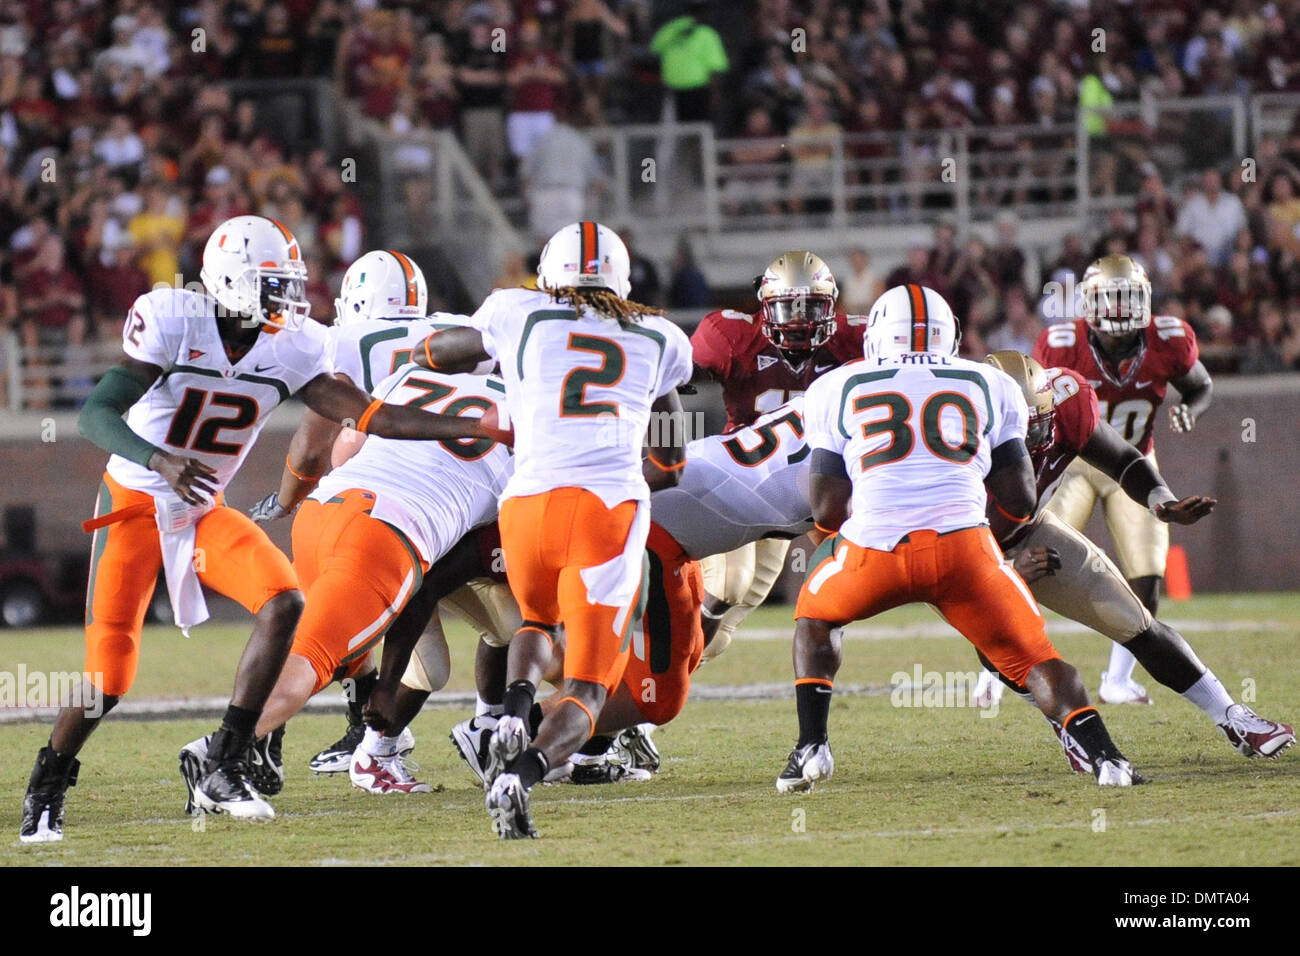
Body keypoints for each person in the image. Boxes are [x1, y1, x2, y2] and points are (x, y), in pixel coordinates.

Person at [19, 217, 497, 843]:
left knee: (285, 601)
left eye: (288, 285)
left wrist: (478, 427)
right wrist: (159, 458)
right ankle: (47, 785)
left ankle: (225, 761)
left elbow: (369, 414)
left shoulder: (291, 345)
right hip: (135, 503)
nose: (287, 300)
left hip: (201, 511)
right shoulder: (174, 320)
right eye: (273, 286)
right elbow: (95, 412)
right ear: (231, 282)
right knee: (110, 677)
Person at [780, 283, 1140, 793]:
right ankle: (1109, 761)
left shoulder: (836, 386)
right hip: (965, 549)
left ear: (878, 334)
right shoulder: (988, 381)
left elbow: (827, 507)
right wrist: (986, 544)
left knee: (815, 619)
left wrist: (848, 538)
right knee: (1038, 659)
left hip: (873, 552)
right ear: (947, 333)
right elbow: (1021, 497)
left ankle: (810, 747)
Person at [413, 221, 693, 838]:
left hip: (527, 507)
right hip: (606, 512)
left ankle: (512, 710)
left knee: (536, 623)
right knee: (590, 690)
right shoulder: (662, 335)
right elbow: (672, 460)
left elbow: (428, 356)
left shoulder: (517, 311)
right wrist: (642, 471)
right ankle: (525, 772)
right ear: (621, 277)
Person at [974, 352, 1293, 766]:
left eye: (1039, 419)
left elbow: (1124, 459)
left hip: (1029, 528)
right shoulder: (949, 444)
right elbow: (944, 546)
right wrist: (1008, 574)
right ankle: (1067, 726)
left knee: (1132, 618)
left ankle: (1233, 716)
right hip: (965, 553)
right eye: (1020, 428)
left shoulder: (1066, 401)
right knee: (1001, 641)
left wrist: (1161, 501)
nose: (1035, 436)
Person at [1036, 255, 1213, 704]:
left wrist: (1189, 409)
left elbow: (1199, 385)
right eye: (1109, 299)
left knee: (1147, 577)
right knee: (1033, 561)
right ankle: (998, 665)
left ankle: (1116, 679)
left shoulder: (1168, 340)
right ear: (1089, 303)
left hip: (1134, 467)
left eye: (1127, 298)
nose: (1118, 310)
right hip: (1073, 466)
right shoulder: (1060, 343)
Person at [690, 251, 861, 661]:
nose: (800, 319)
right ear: (764, 304)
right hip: (740, 482)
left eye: (811, 306)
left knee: (722, 634)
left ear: (832, 305)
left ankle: (645, 697)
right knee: (727, 588)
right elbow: (676, 375)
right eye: (790, 306)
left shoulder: (854, 341)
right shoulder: (734, 335)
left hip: (789, 501)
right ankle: (641, 676)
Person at [649, 0, 728, 124]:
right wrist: (715, 95)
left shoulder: (669, 30)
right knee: (700, 127)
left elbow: (654, 48)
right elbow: (716, 68)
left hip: (673, 86)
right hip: (698, 88)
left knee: (682, 127)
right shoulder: (707, 33)